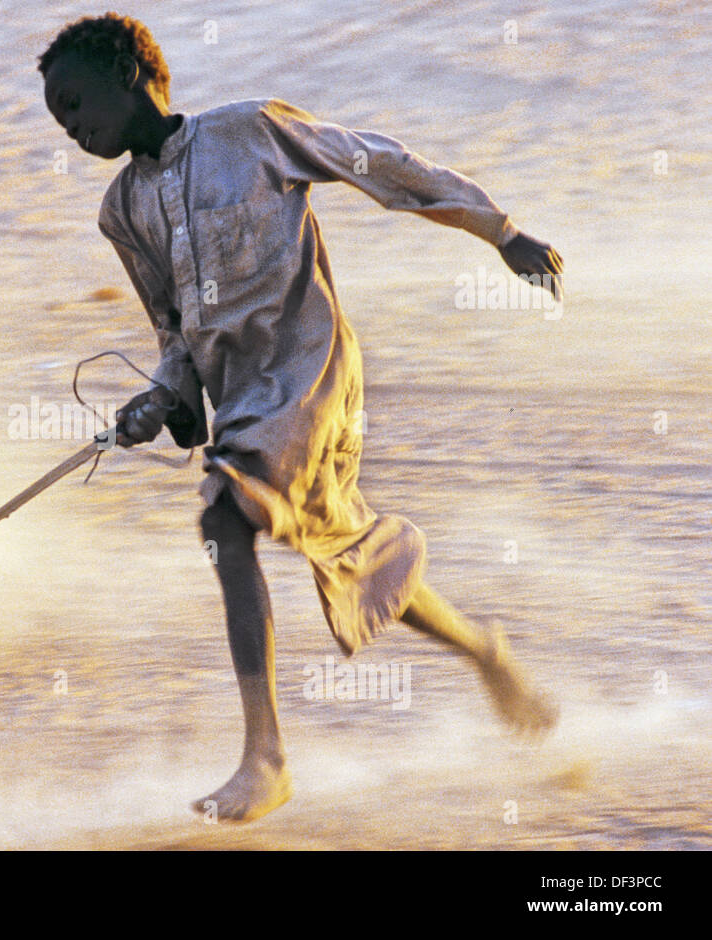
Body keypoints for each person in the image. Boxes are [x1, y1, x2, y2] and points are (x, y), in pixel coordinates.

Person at [39, 13, 564, 823]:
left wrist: (498, 229)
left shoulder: (249, 132)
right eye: (59, 118)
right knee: (344, 545)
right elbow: (173, 331)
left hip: (311, 369)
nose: (70, 128)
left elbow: (378, 163)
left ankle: (265, 757)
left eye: (76, 103)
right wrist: (164, 401)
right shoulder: (122, 210)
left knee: (224, 514)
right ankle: (485, 650)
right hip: (244, 393)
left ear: (129, 72)